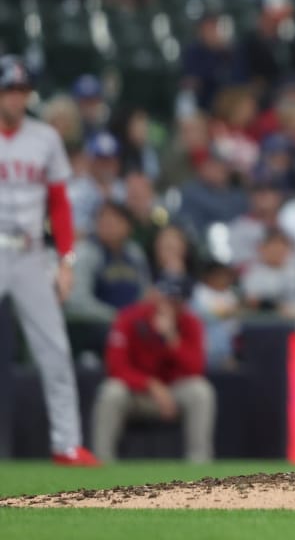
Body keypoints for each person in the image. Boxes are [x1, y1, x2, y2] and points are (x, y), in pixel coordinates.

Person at [0, 56, 99, 465]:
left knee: (55, 350)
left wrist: (66, 261)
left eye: (22, 91)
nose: (17, 98)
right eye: (9, 90)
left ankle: (66, 444)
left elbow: (59, 206)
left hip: (29, 253)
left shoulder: (45, 138)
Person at [91, 275, 216, 463]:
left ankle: (199, 463)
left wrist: (172, 339)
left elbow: (196, 368)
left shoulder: (191, 323)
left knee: (201, 391)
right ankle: (102, 460)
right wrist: (151, 385)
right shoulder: (129, 317)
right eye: (166, 299)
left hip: (173, 393)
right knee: (111, 391)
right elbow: (116, 367)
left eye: (176, 301)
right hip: (136, 394)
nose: (169, 305)